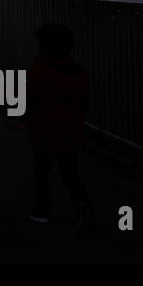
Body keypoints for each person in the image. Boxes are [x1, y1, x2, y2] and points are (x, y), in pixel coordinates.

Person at [26, 23, 93, 231]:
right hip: (70, 132)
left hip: (43, 132)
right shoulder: (78, 73)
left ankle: (42, 210)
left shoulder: (40, 70)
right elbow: (84, 102)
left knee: (42, 173)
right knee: (70, 172)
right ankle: (81, 203)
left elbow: (32, 99)